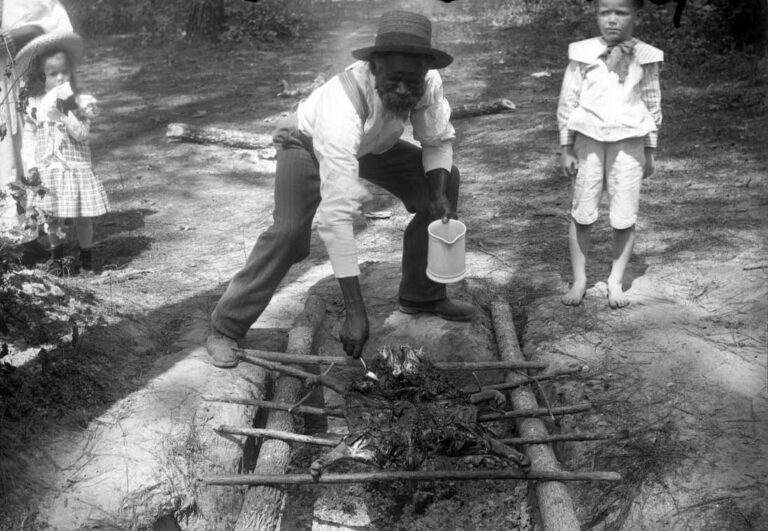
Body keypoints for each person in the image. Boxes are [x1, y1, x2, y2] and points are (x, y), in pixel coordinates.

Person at [207, 10, 475, 367]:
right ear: (373, 68)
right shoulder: (341, 107)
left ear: (426, 72)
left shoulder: (427, 83)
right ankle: (226, 327)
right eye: (394, 80)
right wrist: (355, 311)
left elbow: (438, 141)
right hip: (308, 145)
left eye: (412, 83)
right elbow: (336, 217)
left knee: (444, 178)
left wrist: (438, 193)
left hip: (369, 147)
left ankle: (422, 297)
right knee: (288, 234)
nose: (403, 90)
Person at [557, 0, 662, 308]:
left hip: (629, 143)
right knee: (583, 209)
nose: (612, 20)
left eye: (621, 12)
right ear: (597, 15)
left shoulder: (647, 56)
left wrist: (650, 150)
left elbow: (653, 104)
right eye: (605, 13)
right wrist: (566, 147)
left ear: (635, 16)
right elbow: (568, 101)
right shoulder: (582, 53)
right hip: (588, 140)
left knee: (624, 212)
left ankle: (616, 280)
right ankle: (580, 279)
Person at [19, 32, 108, 276]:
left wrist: (66, 110)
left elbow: (81, 135)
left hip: (74, 167)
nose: (60, 78)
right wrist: (30, 165)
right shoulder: (35, 102)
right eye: (53, 74)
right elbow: (29, 136)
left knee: (82, 215)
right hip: (49, 168)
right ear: (42, 76)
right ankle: (56, 256)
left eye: (64, 73)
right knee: (52, 215)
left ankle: (86, 257)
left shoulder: (80, 100)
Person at [1, 0, 74, 237]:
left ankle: (22, 234)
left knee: (19, 154)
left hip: (18, 80)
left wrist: (23, 34)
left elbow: (54, 23)